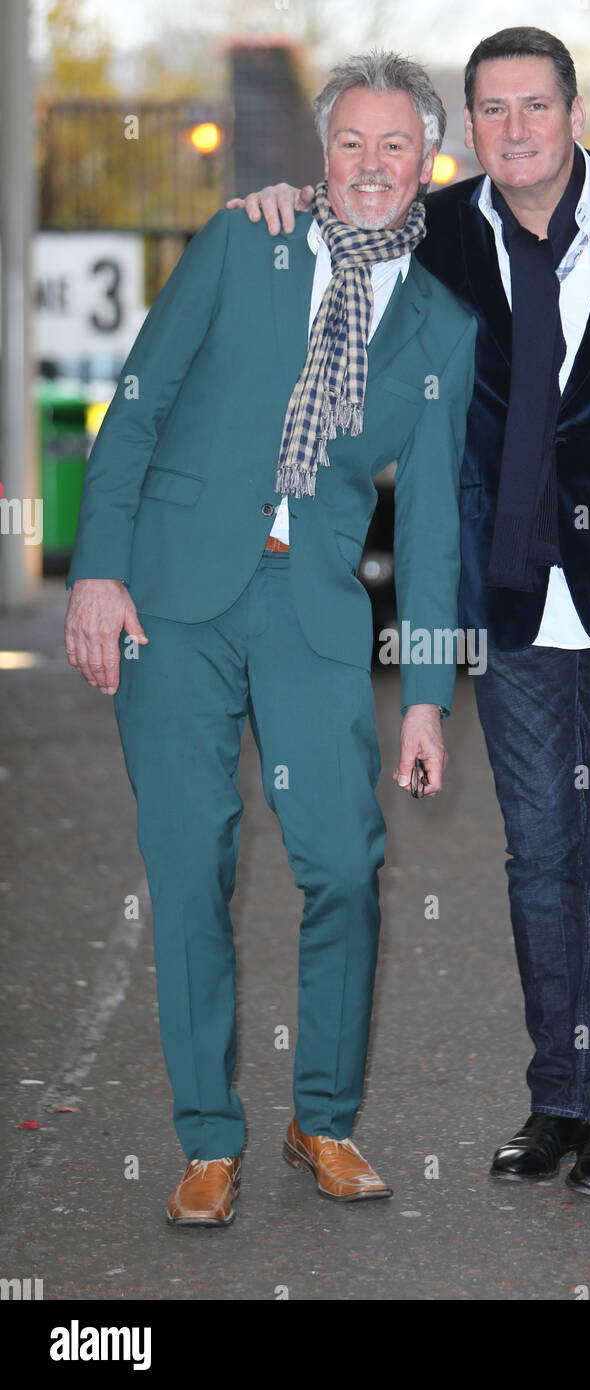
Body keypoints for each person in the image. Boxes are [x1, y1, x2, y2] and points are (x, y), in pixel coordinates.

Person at [231, 26, 590, 1202]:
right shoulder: (433, 235)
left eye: (534, 106)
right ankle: (560, 1096)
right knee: (537, 859)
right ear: (468, 129)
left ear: (572, 112)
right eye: (490, 111)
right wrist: (285, 197)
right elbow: (339, 242)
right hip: (509, 596)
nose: (515, 130)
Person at [64, 51, 477, 1224]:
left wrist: (431, 696)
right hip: (174, 599)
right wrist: (97, 572)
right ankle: (207, 1137)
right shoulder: (246, 243)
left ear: (427, 166)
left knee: (343, 861)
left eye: (394, 146)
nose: (369, 166)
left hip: (311, 613)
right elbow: (134, 405)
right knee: (189, 864)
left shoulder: (443, 329)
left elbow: (438, 531)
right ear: (322, 154)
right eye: (349, 142)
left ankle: (323, 1118)